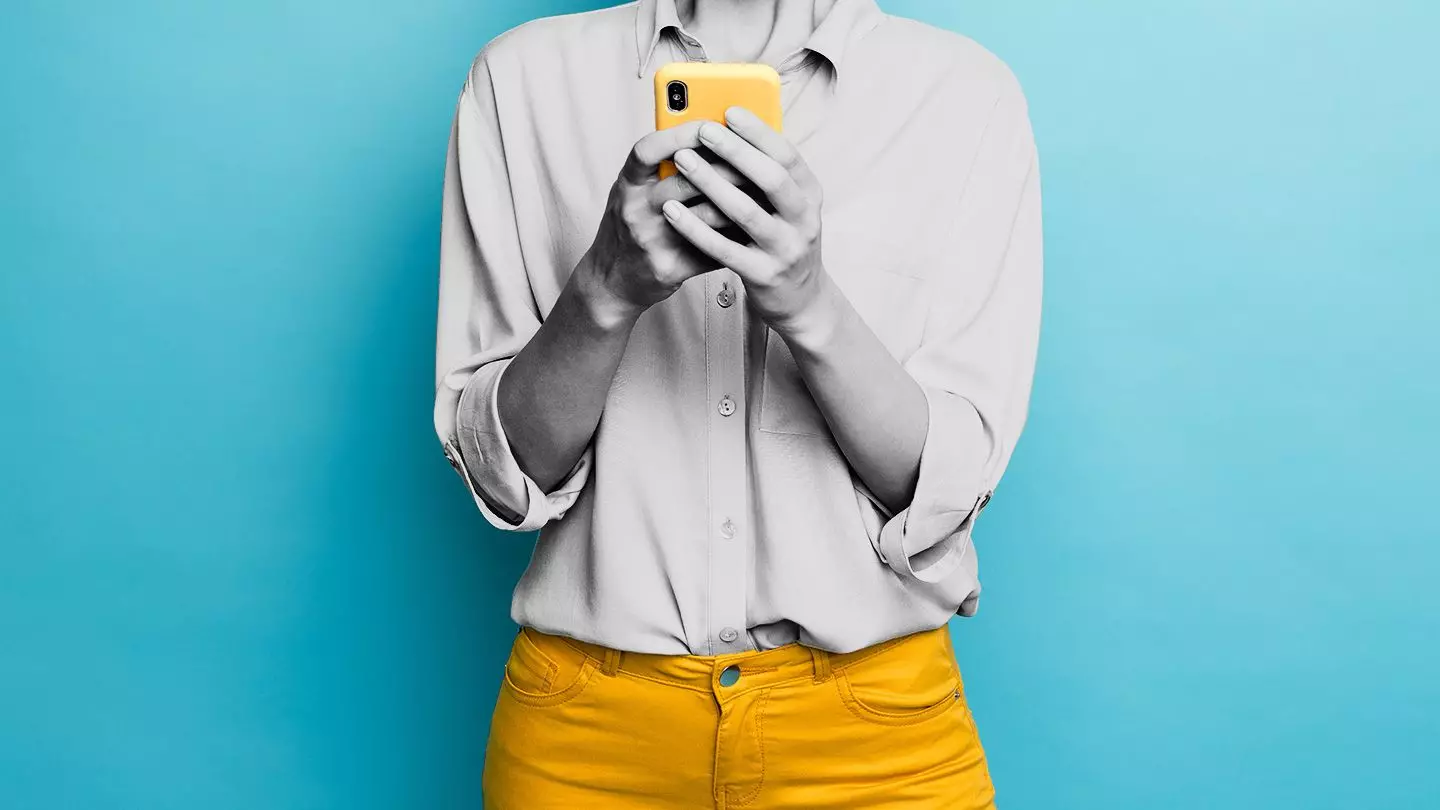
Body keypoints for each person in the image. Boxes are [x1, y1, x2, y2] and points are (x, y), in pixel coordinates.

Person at [432, 0, 1041, 805]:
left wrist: (808, 304)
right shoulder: (520, 83)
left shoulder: (964, 96)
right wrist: (606, 289)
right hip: (588, 746)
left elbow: (941, 498)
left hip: (876, 743)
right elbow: (507, 475)